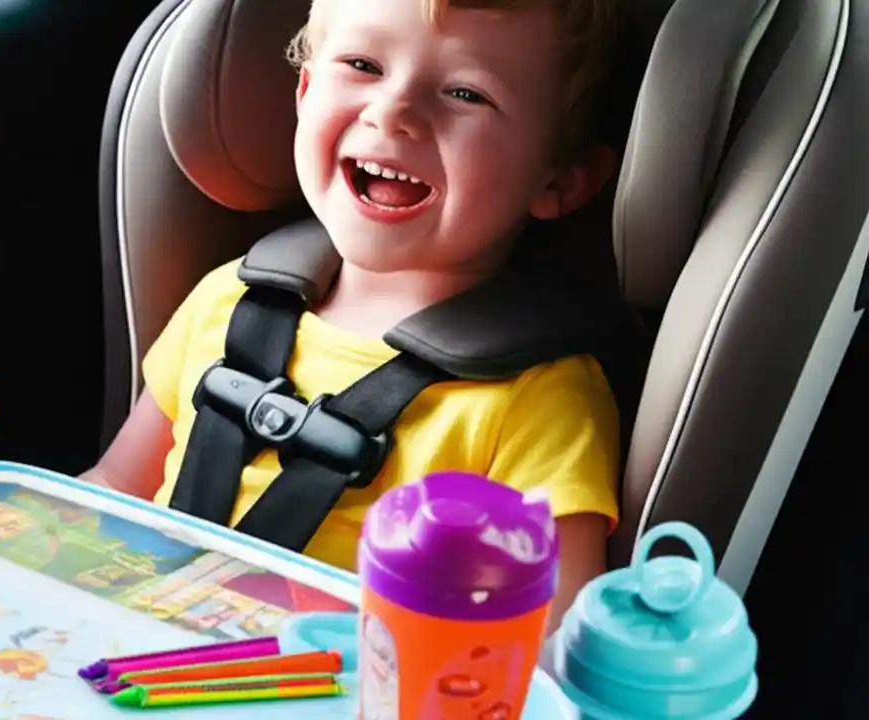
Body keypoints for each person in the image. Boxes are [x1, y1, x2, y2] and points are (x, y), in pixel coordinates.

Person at [83, 0, 622, 634]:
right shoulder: (228, 301)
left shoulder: (541, 402)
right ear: (306, 91)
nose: (393, 110)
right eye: (362, 64)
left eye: (466, 93)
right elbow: (113, 492)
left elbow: (543, 656)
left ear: (558, 181)